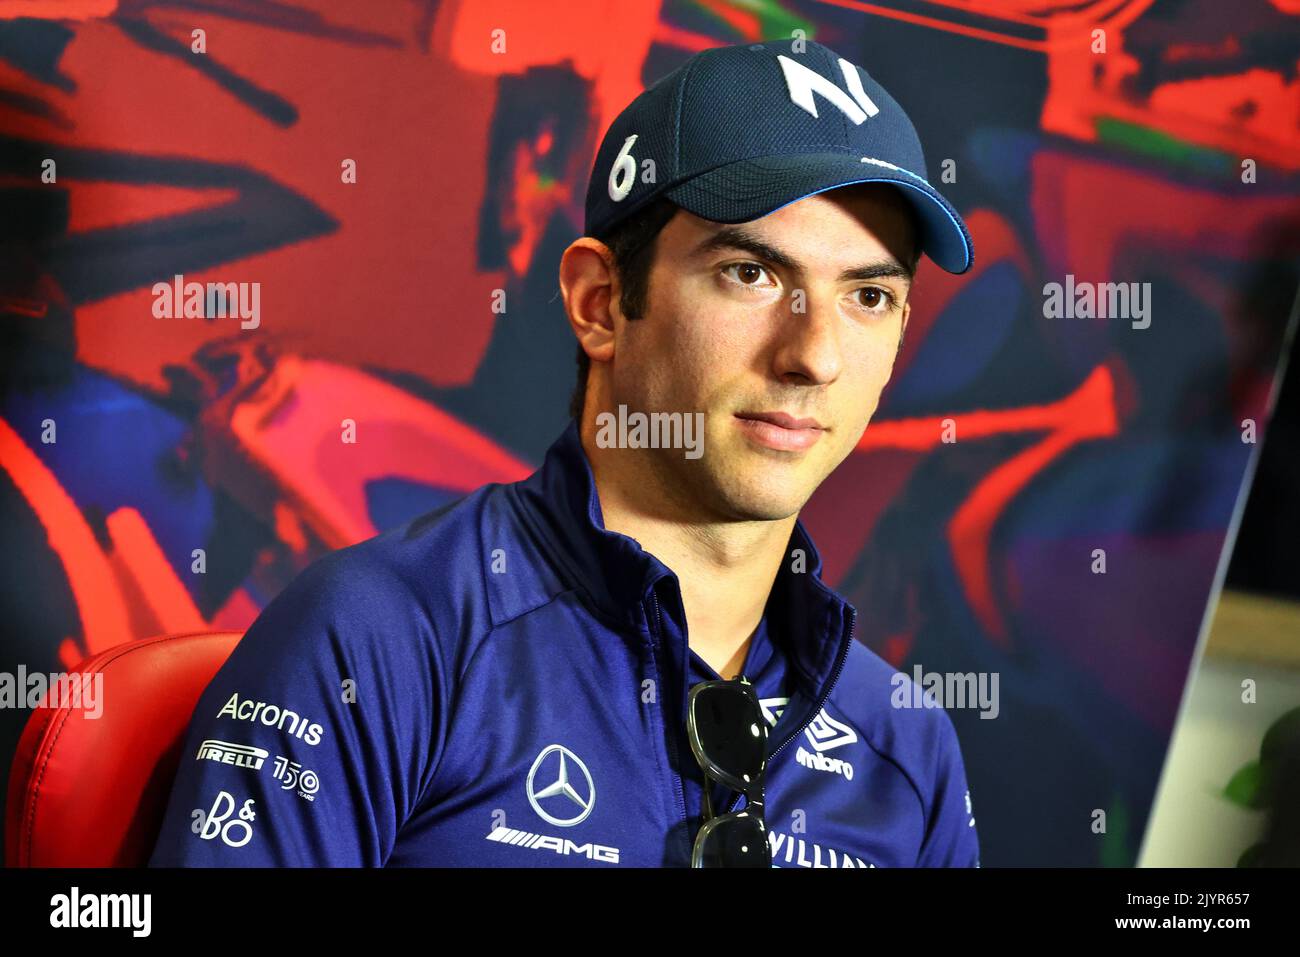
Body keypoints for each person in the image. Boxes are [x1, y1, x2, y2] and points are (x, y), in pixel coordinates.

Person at [149, 36, 979, 868]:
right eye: (750, 274)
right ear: (601, 303)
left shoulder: (906, 747)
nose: (816, 356)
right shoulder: (379, 639)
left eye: (869, 296)